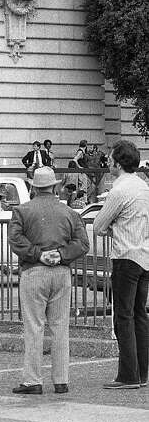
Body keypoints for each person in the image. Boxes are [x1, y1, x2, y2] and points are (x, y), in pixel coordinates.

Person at [8, 166, 89, 395]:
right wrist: (61, 254)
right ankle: (61, 380)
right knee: (60, 326)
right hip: (61, 273)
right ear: (55, 186)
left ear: (33, 187)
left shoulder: (22, 211)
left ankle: (33, 380)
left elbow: (15, 240)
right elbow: (82, 243)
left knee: (34, 326)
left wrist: (37, 254)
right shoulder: (70, 213)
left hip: (34, 271)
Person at [93, 140, 149, 390]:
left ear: (117, 162)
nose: (108, 162)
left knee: (122, 317)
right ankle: (142, 372)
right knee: (140, 315)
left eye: (110, 158)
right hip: (145, 256)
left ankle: (128, 375)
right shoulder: (144, 187)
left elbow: (98, 225)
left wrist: (113, 226)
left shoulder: (118, 190)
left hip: (125, 256)